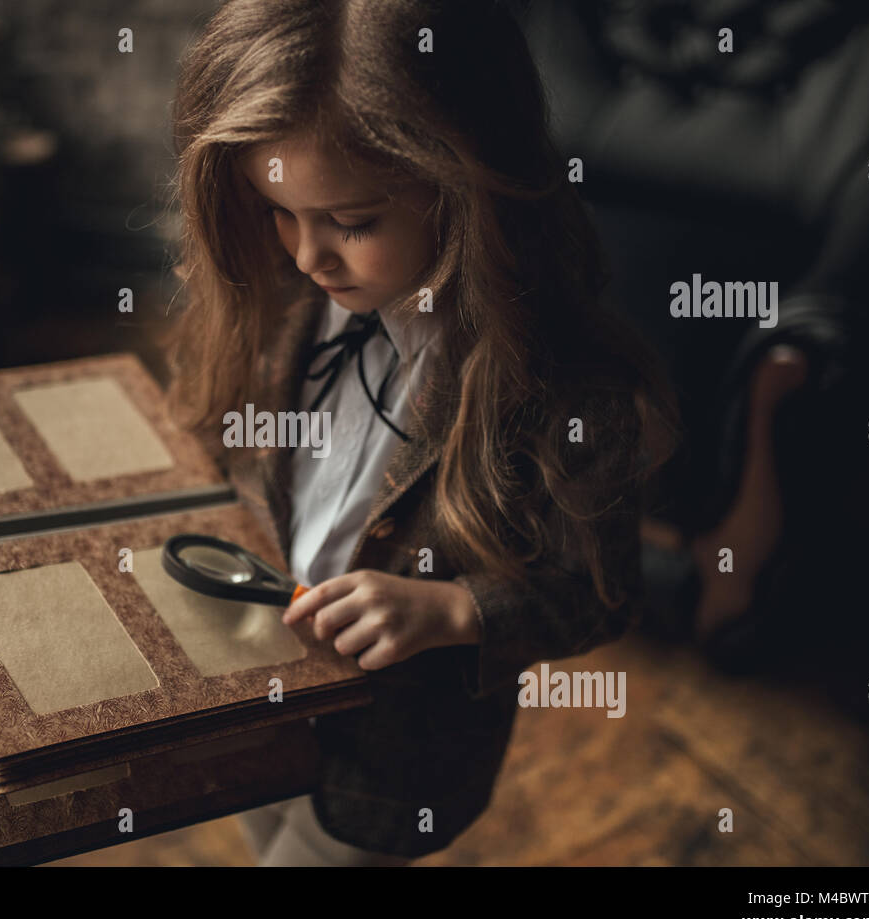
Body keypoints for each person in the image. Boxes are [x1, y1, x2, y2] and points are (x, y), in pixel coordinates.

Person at [162, 0, 680, 865]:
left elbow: (603, 591)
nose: (306, 256)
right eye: (277, 211)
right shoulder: (286, 297)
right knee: (266, 838)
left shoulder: (567, 385)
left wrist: (454, 607)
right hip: (260, 696)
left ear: (471, 185)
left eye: (352, 222)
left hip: (397, 760)